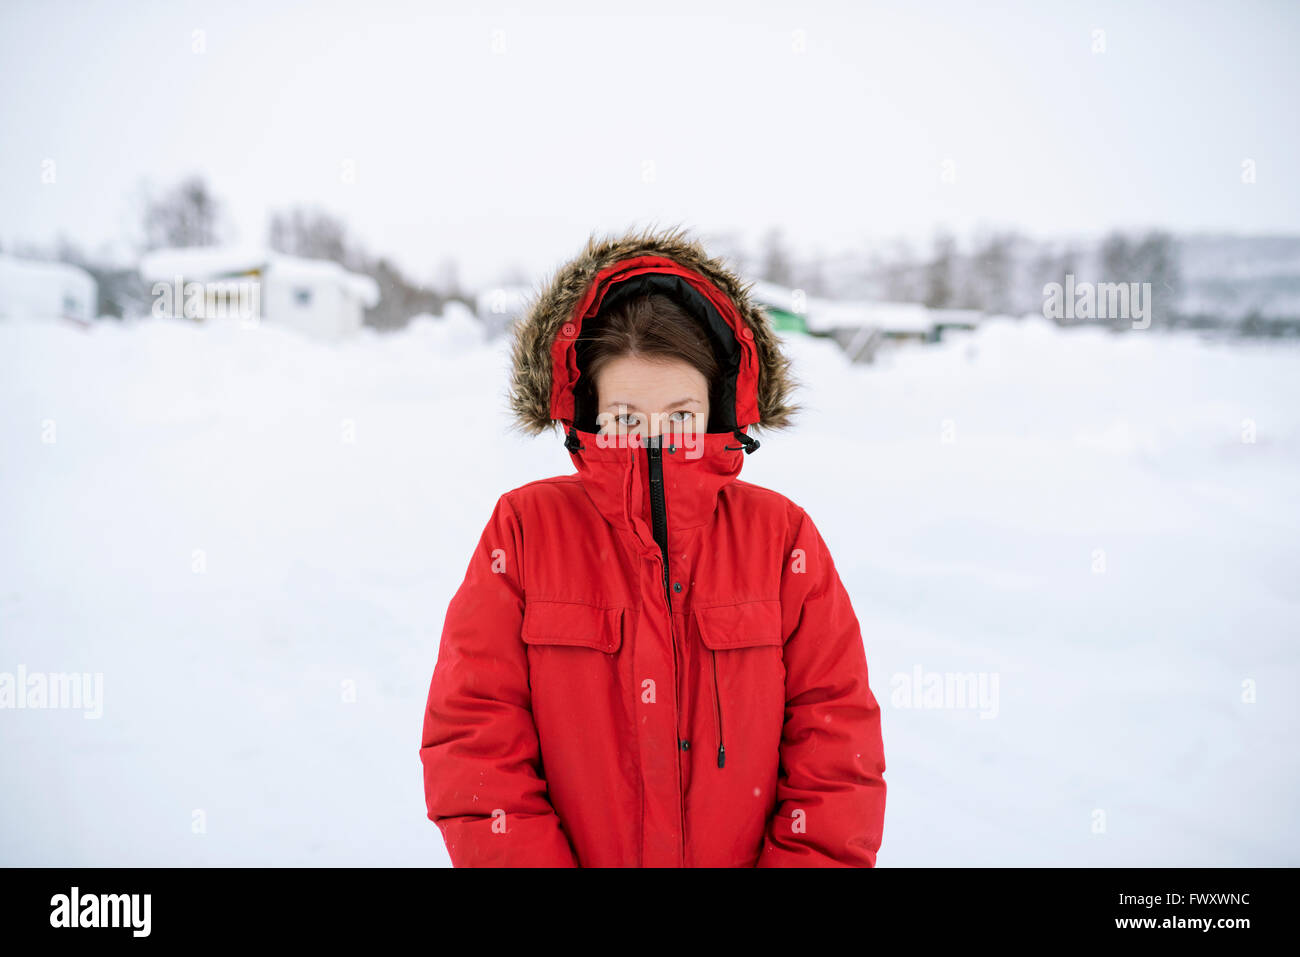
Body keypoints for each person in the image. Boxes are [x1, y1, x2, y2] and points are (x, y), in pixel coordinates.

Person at [419, 224, 886, 866]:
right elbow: (474, 740)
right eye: (627, 419)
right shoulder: (525, 528)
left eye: (682, 415)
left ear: (720, 407)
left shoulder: (782, 538)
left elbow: (837, 749)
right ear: (588, 410)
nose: (657, 442)